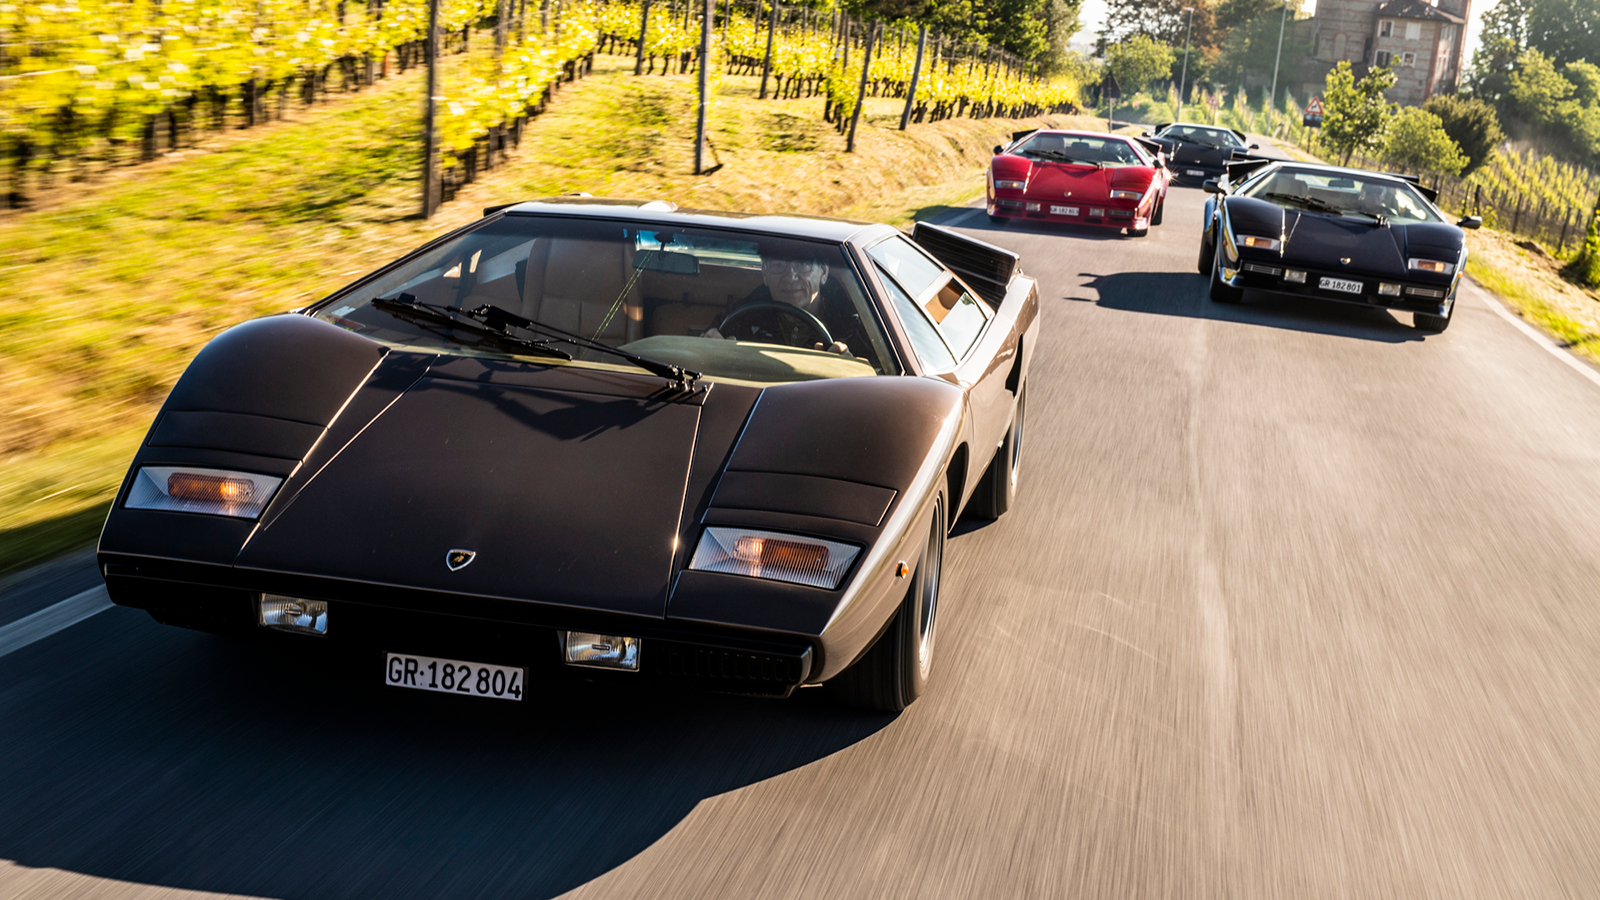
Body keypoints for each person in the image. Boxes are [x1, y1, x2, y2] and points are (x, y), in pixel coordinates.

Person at [705, 250, 871, 357]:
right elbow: (703, 352)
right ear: (765, 274)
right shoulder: (739, 318)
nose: (790, 277)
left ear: (823, 272)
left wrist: (853, 368)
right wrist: (707, 347)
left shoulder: (858, 328)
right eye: (778, 265)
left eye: (803, 264)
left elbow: (882, 383)